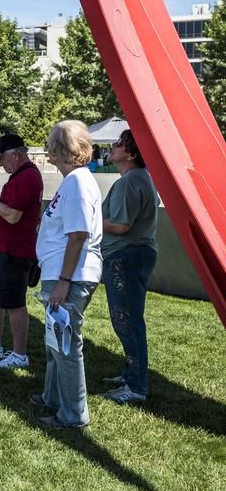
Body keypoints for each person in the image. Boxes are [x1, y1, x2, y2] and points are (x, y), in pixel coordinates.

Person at [33, 120, 102, 429]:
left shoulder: (77, 182)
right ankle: (53, 397)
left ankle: (73, 415)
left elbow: (78, 235)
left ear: (59, 149)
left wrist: (63, 282)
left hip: (69, 276)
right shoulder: (74, 180)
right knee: (55, 340)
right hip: (63, 272)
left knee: (66, 344)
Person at [100, 129, 159, 405]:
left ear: (132, 153)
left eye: (120, 143)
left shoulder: (128, 181)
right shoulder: (140, 178)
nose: (113, 146)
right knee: (129, 320)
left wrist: (89, 221)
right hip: (136, 255)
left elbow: (122, 226)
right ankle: (131, 375)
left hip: (126, 256)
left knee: (127, 321)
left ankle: (136, 387)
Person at [0, 134, 43, 369]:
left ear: (15, 154)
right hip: (2, 249)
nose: (0, 162)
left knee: (14, 302)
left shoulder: (27, 177)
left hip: (15, 251)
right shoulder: (18, 176)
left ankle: (20, 354)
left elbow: (13, 216)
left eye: (1, 157)